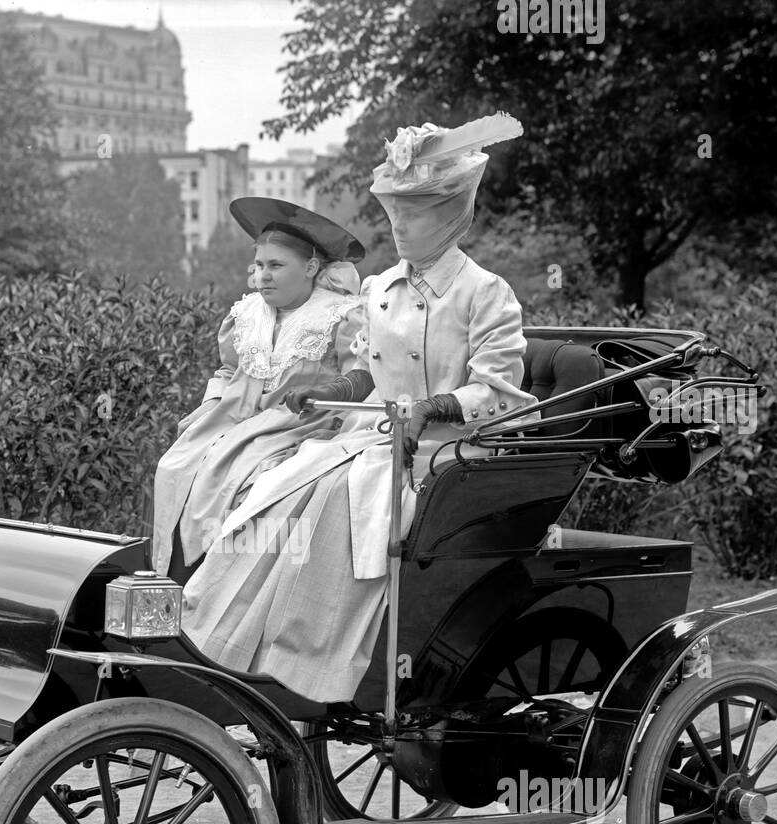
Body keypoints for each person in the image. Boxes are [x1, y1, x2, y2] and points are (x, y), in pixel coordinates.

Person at [180, 114, 540, 703]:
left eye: (414, 214)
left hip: (451, 447)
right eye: (394, 213)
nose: (399, 227)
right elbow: (371, 370)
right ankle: (230, 636)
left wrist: (433, 406)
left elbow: (499, 393)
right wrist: (336, 391)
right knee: (279, 485)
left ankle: (309, 656)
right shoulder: (380, 289)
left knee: (336, 500)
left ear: (451, 217)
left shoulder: (484, 292)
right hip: (377, 433)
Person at [150, 199, 366, 577]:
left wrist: (327, 397)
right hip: (231, 418)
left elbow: (361, 377)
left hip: (298, 425)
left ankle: (223, 582)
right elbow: (227, 370)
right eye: (259, 265)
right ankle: (169, 579)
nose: (263, 276)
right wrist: (209, 405)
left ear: (311, 268)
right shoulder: (248, 312)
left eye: (276, 266)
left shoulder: (340, 314)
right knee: (175, 466)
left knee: (249, 482)